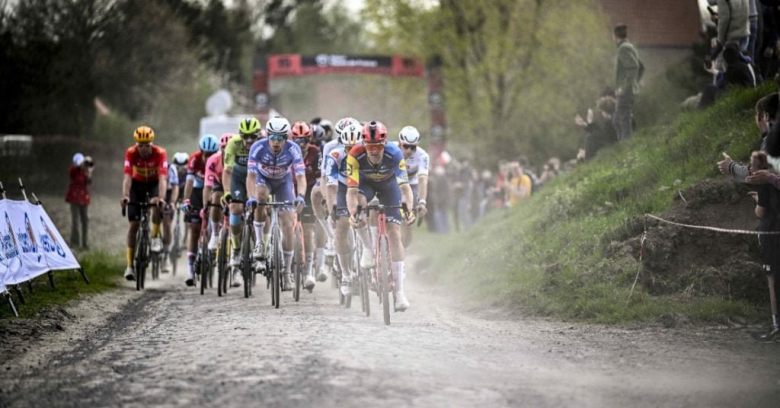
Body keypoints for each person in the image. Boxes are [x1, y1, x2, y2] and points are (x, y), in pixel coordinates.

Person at [346, 121, 415, 311]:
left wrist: (409, 210)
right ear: (364, 144)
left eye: (378, 146)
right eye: (370, 146)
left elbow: (405, 189)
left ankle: (400, 292)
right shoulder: (355, 154)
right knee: (360, 208)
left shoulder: (395, 154)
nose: (374, 151)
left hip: (389, 186)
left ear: (384, 144)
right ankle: (368, 248)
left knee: (394, 232)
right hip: (365, 186)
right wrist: (353, 213)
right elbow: (351, 192)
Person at [247, 116, 307, 291]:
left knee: (288, 224)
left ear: (286, 138)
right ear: (268, 136)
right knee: (260, 197)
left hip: (283, 182)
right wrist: (251, 197)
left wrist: (301, 195)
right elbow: (250, 177)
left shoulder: (293, 149)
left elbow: (301, 177)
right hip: (263, 179)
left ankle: (287, 272)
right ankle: (259, 242)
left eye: (280, 138)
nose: (276, 142)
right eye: (273, 137)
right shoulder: (257, 147)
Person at [120, 126, 168, 281]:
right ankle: (129, 266)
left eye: (147, 145)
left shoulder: (160, 153)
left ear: (151, 143)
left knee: (155, 204)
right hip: (137, 185)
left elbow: (162, 179)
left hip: (154, 184)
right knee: (133, 225)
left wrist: (161, 198)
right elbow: (127, 177)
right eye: (140, 145)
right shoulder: (131, 153)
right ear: (136, 144)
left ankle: (154, 237)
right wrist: (126, 196)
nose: (143, 148)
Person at [325, 118, 363, 295]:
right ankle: (346, 275)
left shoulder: (368, 151)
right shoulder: (335, 154)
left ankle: (373, 253)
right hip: (342, 188)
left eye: (355, 147)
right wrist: (332, 206)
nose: (352, 151)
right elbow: (331, 185)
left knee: (369, 215)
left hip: (363, 187)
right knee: (341, 228)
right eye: (348, 148)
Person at [222, 118, 263, 269]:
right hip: (238, 179)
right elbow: (227, 171)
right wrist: (227, 192)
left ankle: (262, 248)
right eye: (245, 136)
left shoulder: (263, 144)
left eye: (253, 136)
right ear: (240, 135)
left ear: (258, 135)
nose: (249, 140)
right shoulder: (233, 143)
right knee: (235, 208)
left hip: (258, 178)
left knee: (263, 209)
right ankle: (236, 249)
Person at [181, 134, 219, 286]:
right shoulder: (194, 159)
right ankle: (190, 268)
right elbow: (189, 183)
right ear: (201, 152)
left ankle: (214, 247)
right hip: (197, 191)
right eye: (205, 154)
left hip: (213, 189)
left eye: (211, 154)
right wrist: (186, 200)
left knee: (215, 217)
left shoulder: (217, 160)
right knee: (195, 229)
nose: (207, 157)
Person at [750, 150, 780, 339]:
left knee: (772, 280)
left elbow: (760, 213)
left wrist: (756, 201)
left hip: (770, 235)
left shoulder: (763, 185)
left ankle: (776, 324)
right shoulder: (775, 181)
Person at [290, 121, 322, 291]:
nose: (301, 144)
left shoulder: (315, 152)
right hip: (289, 188)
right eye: (297, 140)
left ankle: (309, 270)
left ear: (310, 139)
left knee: (308, 229)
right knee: (286, 225)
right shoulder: (286, 150)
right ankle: (285, 261)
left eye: (305, 140)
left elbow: (320, 176)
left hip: (308, 190)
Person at [396, 126, 430, 248]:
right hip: (393, 183)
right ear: (400, 143)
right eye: (405, 146)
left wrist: (422, 202)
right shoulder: (390, 149)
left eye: (413, 147)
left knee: (407, 219)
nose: (409, 150)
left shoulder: (422, 156)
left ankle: (402, 249)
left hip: (412, 184)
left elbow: (422, 179)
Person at [613, 24, 642, 140]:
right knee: (617, 119)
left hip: (626, 90)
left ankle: (626, 146)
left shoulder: (623, 48)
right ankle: (624, 145)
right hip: (627, 89)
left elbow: (634, 67)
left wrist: (623, 87)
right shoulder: (628, 46)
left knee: (622, 119)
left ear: (615, 36)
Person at [65, 152, 92, 249]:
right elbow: (72, 172)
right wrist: (81, 165)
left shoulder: (85, 171)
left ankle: (84, 243)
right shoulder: (74, 170)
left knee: (85, 221)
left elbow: (89, 182)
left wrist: (89, 171)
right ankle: (75, 243)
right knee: (75, 221)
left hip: (84, 198)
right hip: (74, 198)